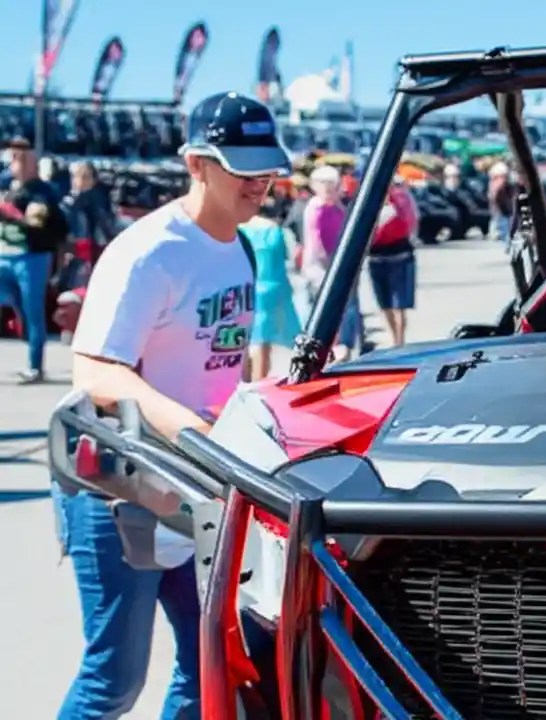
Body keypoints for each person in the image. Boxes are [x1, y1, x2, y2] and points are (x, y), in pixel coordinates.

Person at [57, 91, 291, 719]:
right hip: (119, 486)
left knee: (210, 662)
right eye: (243, 170)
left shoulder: (240, 247)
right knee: (113, 680)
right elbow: (95, 372)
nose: (259, 183)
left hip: (198, 486)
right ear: (196, 164)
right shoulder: (148, 252)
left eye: (267, 170)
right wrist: (192, 431)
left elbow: (219, 358)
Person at [0, 137, 69, 384]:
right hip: (4, 254)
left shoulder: (42, 191)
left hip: (32, 257)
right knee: (20, 308)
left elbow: (41, 221)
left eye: (22, 157)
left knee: (32, 310)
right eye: (13, 156)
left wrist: (13, 214)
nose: (16, 161)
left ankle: (35, 366)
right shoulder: (5, 184)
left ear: (32, 161)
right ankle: (27, 338)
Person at [300, 165, 361, 361]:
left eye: (332, 184)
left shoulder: (338, 208)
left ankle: (342, 346)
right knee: (326, 309)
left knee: (346, 309)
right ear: (314, 186)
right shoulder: (316, 208)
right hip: (322, 270)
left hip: (339, 268)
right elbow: (317, 241)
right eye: (323, 183)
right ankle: (329, 348)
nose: (328, 188)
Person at [241, 198, 301, 380]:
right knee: (263, 340)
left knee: (245, 339)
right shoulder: (273, 229)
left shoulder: (240, 228)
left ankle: (246, 379)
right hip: (272, 288)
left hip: (247, 287)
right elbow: (283, 258)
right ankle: (259, 380)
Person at [368, 178, 419, 348]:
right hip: (377, 256)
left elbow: (411, 222)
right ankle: (394, 337)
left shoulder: (401, 199)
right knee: (385, 304)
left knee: (399, 304)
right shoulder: (369, 202)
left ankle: (399, 340)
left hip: (400, 255)